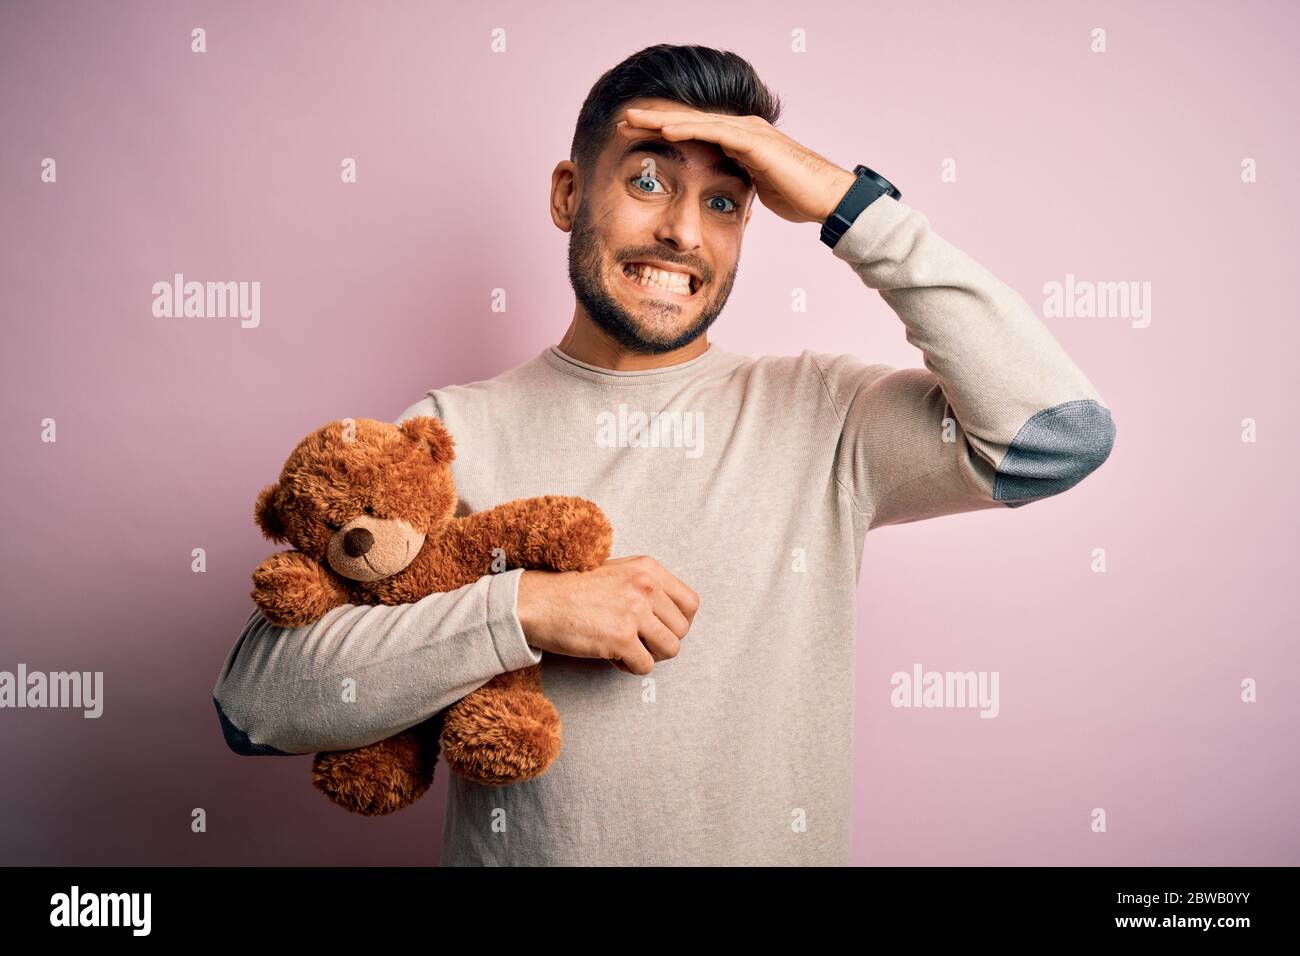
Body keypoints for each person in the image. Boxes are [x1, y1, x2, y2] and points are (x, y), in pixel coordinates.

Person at [212, 43, 1115, 866]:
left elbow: (1054, 437)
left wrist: (852, 208)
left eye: (725, 201)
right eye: (649, 182)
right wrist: (524, 608)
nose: (686, 231)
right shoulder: (451, 434)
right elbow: (254, 708)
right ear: (569, 194)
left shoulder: (823, 416)